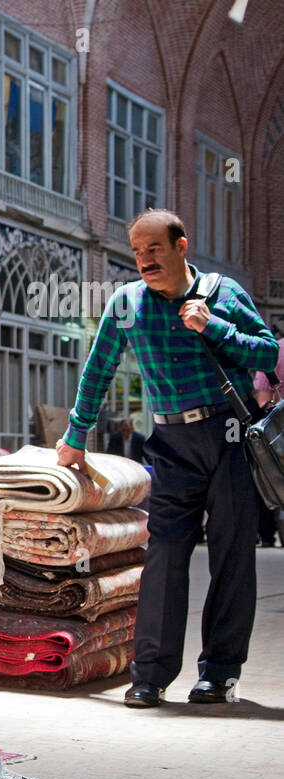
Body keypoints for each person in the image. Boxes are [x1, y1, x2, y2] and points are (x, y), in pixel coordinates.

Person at [56, 209, 280, 708]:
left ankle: (219, 673)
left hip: (230, 437)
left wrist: (215, 327)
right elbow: (98, 370)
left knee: (232, 556)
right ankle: (151, 675)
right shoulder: (126, 303)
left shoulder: (224, 294)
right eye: (137, 251)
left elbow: (266, 353)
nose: (144, 260)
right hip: (171, 443)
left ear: (181, 247)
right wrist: (76, 435)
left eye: (154, 248)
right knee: (164, 557)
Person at [251, 333, 284, 547]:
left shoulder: (274, 351)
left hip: (279, 434)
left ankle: (268, 534)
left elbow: (262, 399)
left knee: (273, 479)